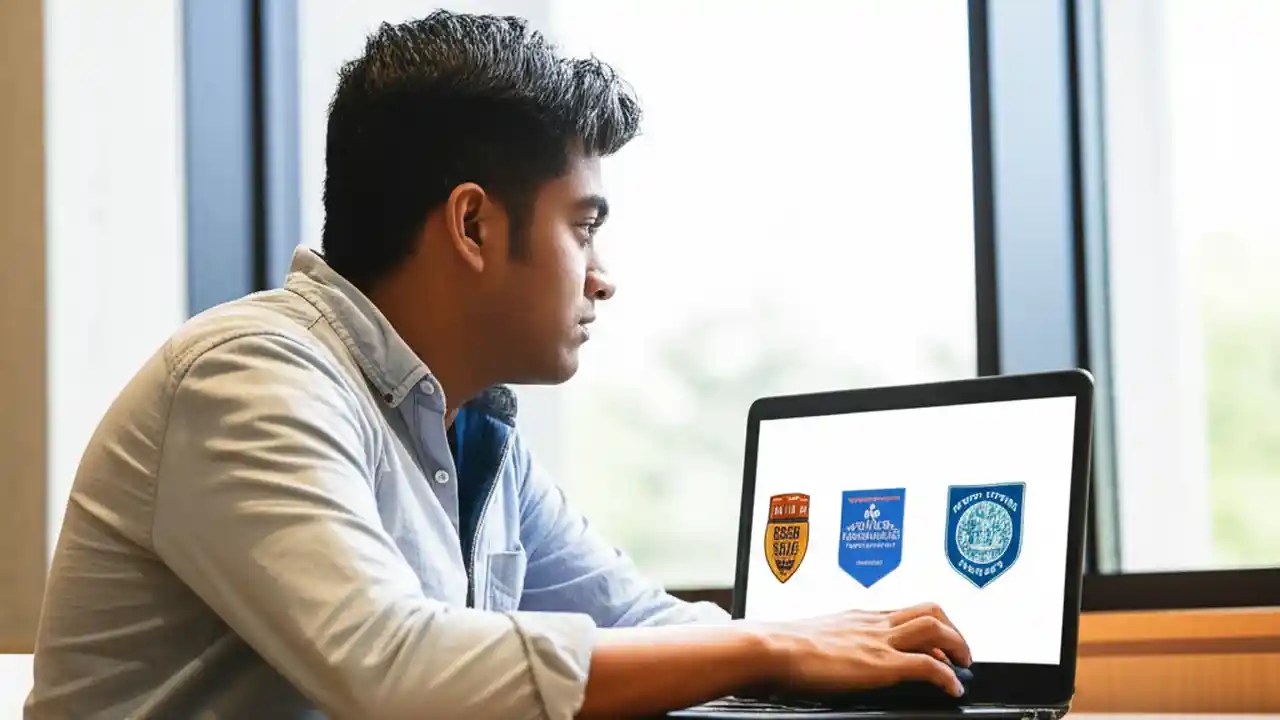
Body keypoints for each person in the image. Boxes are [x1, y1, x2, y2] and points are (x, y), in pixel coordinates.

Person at [26, 11, 970, 719]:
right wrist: (768, 646)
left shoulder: (472, 432)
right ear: (473, 224)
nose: (602, 279)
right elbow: (393, 666)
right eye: (584, 227)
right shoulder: (248, 379)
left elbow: (639, 623)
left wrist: (841, 645)